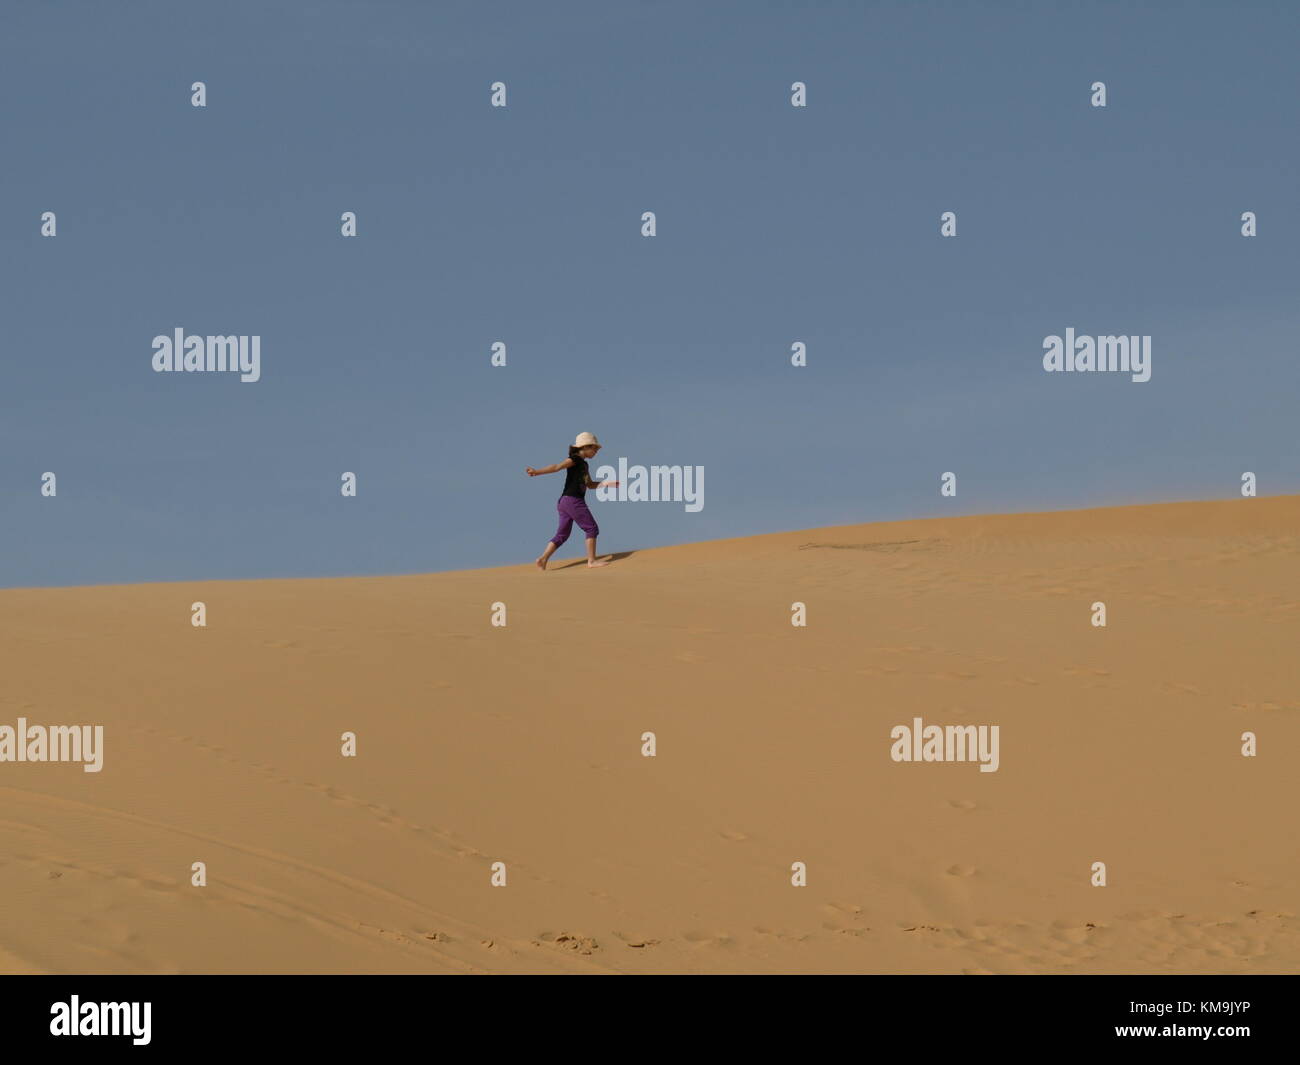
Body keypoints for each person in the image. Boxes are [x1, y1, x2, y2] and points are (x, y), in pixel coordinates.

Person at [526, 432, 619, 569]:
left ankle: (543, 558)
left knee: (562, 534)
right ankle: (591, 561)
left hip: (564, 502)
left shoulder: (584, 465)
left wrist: (606, 484)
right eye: (594, 448)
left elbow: (590, 485)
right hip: (573, 500)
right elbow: (557, 467)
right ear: (585, 447)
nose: (596, 451)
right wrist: (537, 471)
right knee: (591, 528)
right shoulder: (574, 459)